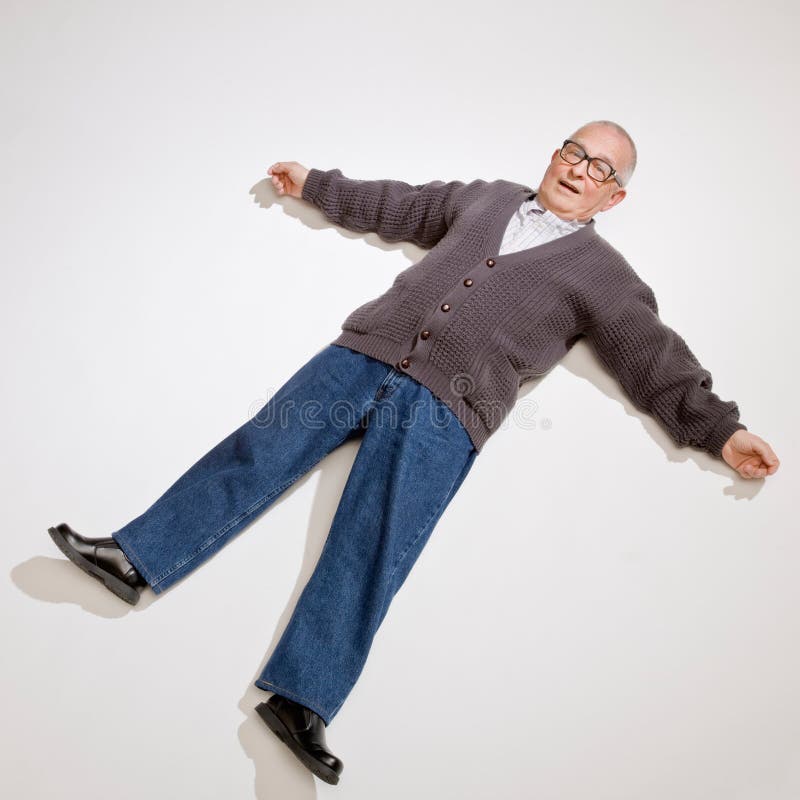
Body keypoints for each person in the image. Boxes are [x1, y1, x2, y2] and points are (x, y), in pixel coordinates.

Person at [47, 119, 780, 787]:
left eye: (600, 169)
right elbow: (399, 205)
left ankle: (302, 699)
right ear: (554, 153)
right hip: (363, 356)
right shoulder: (486, 199)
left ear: (614, 196)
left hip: (447, 409)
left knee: (376, 545)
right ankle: (131, 559)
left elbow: (654, 358)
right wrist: (317, 186)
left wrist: (721, 430)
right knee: (257, 449)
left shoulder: (605, 278)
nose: (580, 169)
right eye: (574, 151)